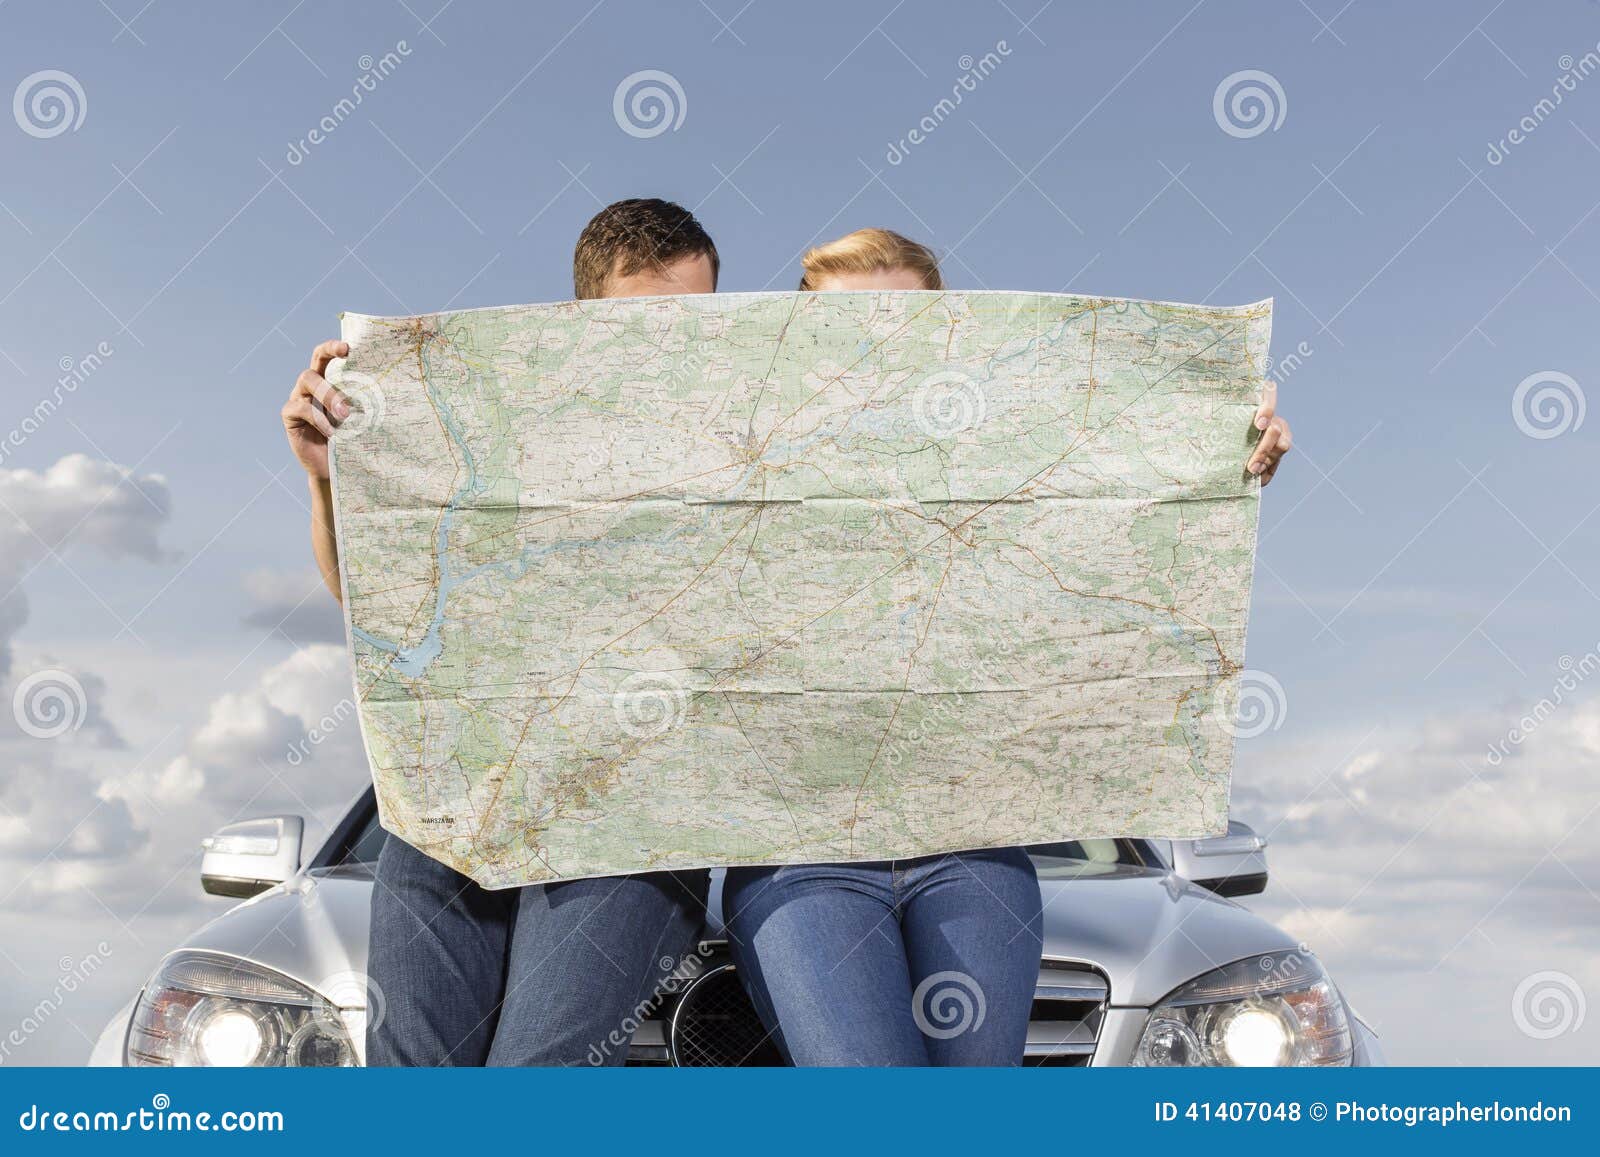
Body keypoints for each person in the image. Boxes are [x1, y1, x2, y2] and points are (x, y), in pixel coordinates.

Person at [720, 228, 1294, 1066]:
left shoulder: (1008, 479)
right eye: (850, 331)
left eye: (906, 328)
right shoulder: (738, 472)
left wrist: (1221, 455)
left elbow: (1117, 522)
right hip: (803, 858)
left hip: (975, 851)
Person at [280, 198, 719, 1065]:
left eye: (694, 322)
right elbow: (389, 612)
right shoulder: (492, 430)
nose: (672, 347)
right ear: (578, 321)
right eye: (644, 325)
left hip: (626, 831)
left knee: (530, 1085)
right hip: (451, 816)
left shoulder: (740, 452)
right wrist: (334, 483)